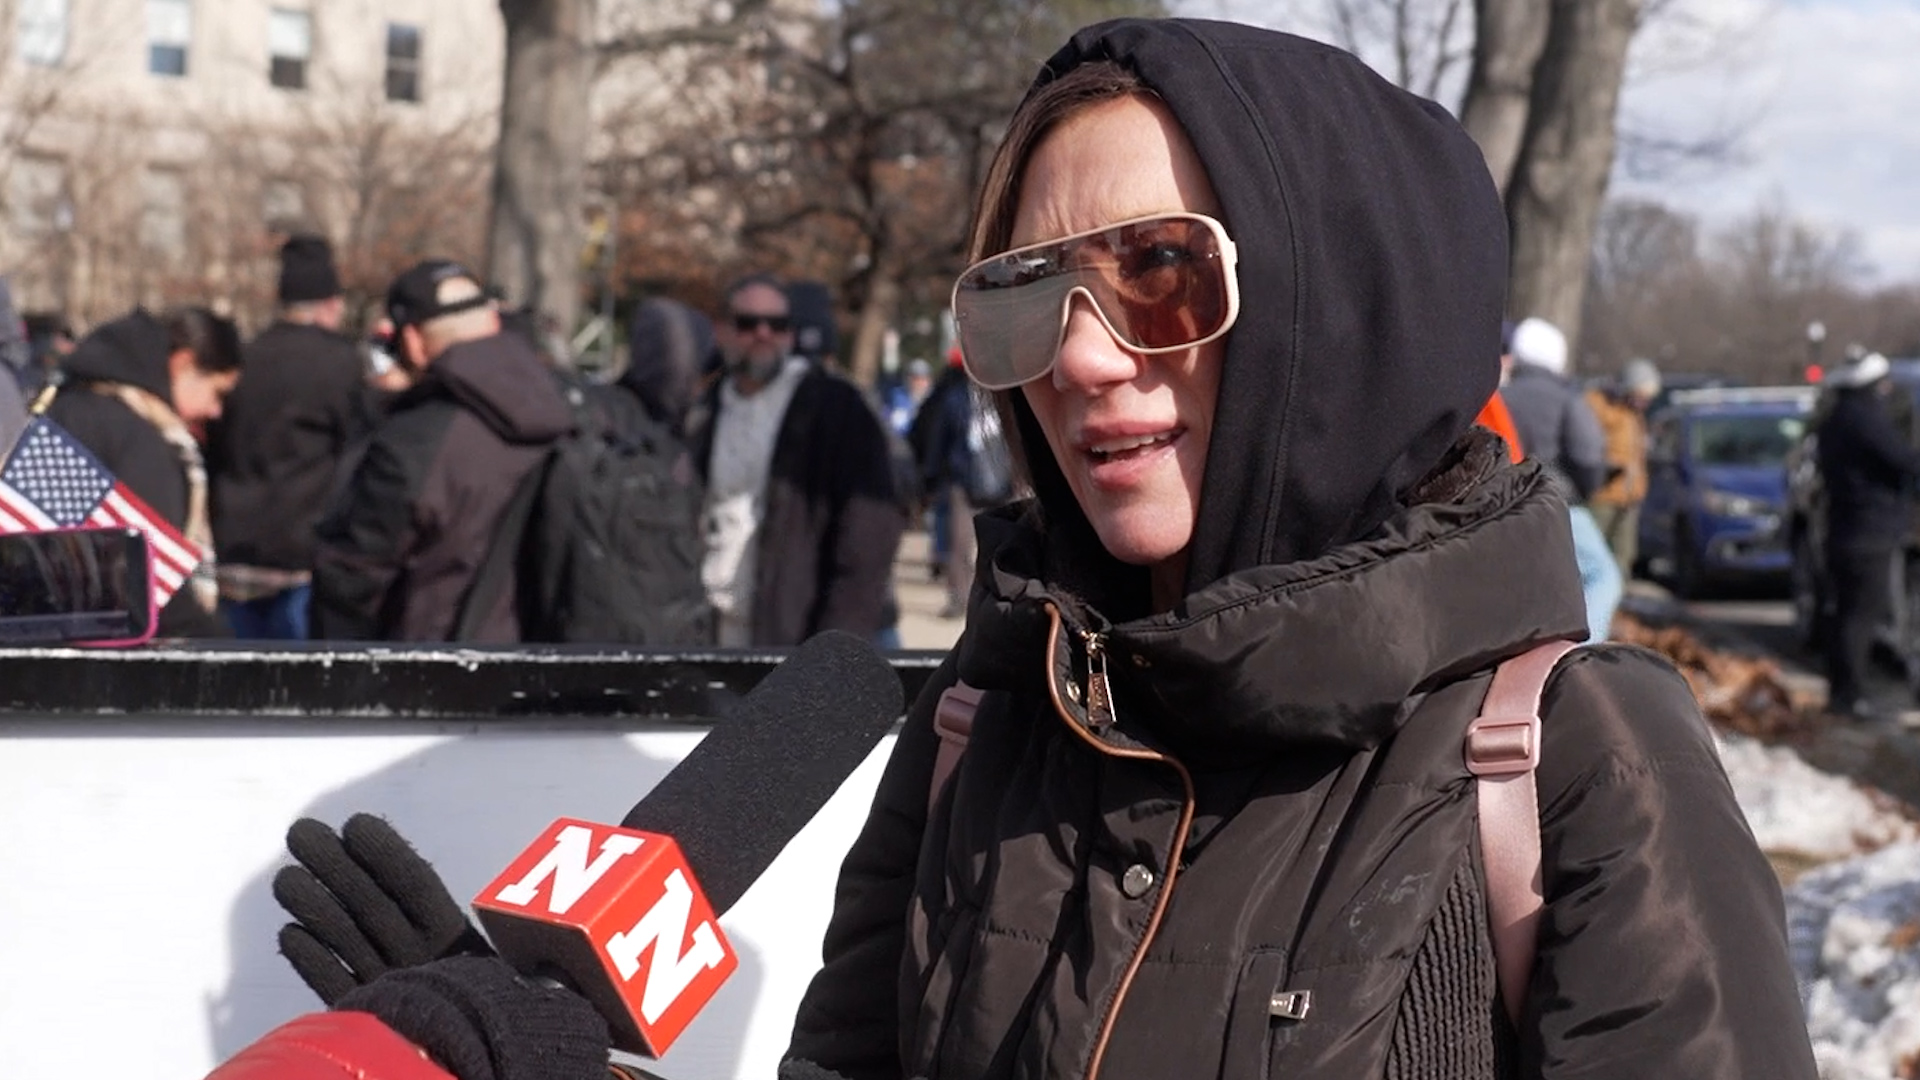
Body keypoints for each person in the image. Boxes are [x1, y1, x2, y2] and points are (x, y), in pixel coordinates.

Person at [781, 19, 1814, 1080]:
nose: (1080, 356)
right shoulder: (987, 714)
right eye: (1026, 290)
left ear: (1339, 304)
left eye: (1162, 266)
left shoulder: (1576, 757)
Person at [310, 260, 572, 642]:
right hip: (559, 669)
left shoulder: (418, 439)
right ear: (493, 323)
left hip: (438, 673)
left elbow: (351, 574)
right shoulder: (575, 408)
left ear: (413, 342)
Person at [684, 272, 905, 647]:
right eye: (748, 323)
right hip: (717, 629)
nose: (763, 335)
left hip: (798, 635)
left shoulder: (835, 408)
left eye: (778, 325)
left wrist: (834, 647)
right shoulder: (702, 413)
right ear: (721, 331)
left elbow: (869, 534)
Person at [207, 234, 369, 640]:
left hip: (232, 548)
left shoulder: (245, 356)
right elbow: (358, 450)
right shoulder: (340, 362)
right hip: (301, 558)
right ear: (330, 304)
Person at [44, 306, 241, 638]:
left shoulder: (67, 406)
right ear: (183, 363)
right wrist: (220, 645)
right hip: (121, 653)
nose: (216, 410)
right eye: (217, 392)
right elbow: (153, 578)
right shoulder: (141, 437)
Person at [1503, 315, 1622, 642]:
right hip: (1557, 504)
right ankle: (1579, 651)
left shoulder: (1500, 397)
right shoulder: (1566, 400)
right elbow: (1587, 454)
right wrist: (1590, 486)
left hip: (1504, 508)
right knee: (1603, 575)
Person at [1814, 351, 1920, 720]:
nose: (1887, 390)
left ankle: (1843, 691)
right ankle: (1850, 695)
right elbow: (1902, 459)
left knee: (1846, 612)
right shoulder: (1865, 419)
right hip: (1867, 530)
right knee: (1859, 615)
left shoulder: (1837, 419)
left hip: (1848, 526)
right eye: (1882, 384)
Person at [1585, 356, 1662, 576]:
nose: (1643, 404)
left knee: (1624, 554)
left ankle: (1616, 601)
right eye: (1639, 397)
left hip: (1628, 497)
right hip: (1602, 495)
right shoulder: (1599, 406)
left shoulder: (1634, 416)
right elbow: (1587, 444)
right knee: (1593, 552)